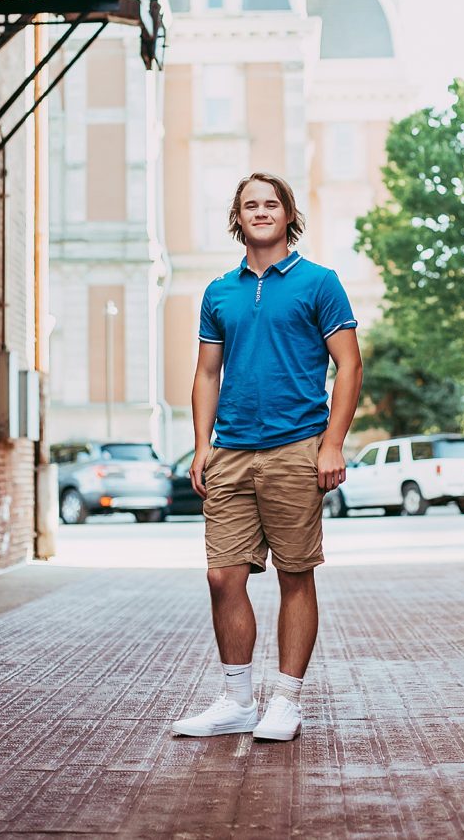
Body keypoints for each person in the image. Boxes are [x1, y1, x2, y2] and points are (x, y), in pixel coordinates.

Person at [172, 172, 363, 742]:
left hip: (297, 446)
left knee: (295, 574)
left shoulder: (319, 283)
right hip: (231, 451)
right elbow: (207, 372)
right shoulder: (219, 292)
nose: (260, 211)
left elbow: (348, 366)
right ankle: (236, 701)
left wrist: (332, 443)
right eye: (249, 204)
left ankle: (286, 700)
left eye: (270, 203)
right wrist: (203, 444)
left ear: (287, 214)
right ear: (238, 217)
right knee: (221, 576)